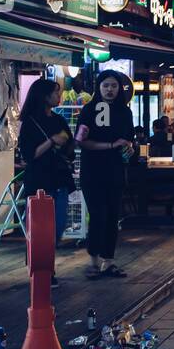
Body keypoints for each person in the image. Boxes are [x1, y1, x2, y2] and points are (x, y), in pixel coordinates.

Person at [75, 70, 135, 279]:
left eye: (114, 86)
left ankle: (108, 261)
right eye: (106, 86)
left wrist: (129, 148)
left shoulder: (125, 112)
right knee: (98, 215)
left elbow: (129, 139)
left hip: (116, 170)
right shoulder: (89, 110)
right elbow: (81, 140)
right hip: (92, 170)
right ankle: (93, 259)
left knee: (112, 216)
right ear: (98, 88)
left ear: (120, 89)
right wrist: (110, 145)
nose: (110, 90)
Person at [18, 78, 75, 285]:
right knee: (40, 229)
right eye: (55, 92)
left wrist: (70, 143)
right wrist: (51, 141)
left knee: (57, 228)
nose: (59, 96)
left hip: (59, 178)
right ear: (44, 96)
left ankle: (45, 267)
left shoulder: (59, 120)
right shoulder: (30, 123)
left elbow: (69, 149)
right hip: (39, 180)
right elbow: (29, 155)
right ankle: (41, 271)